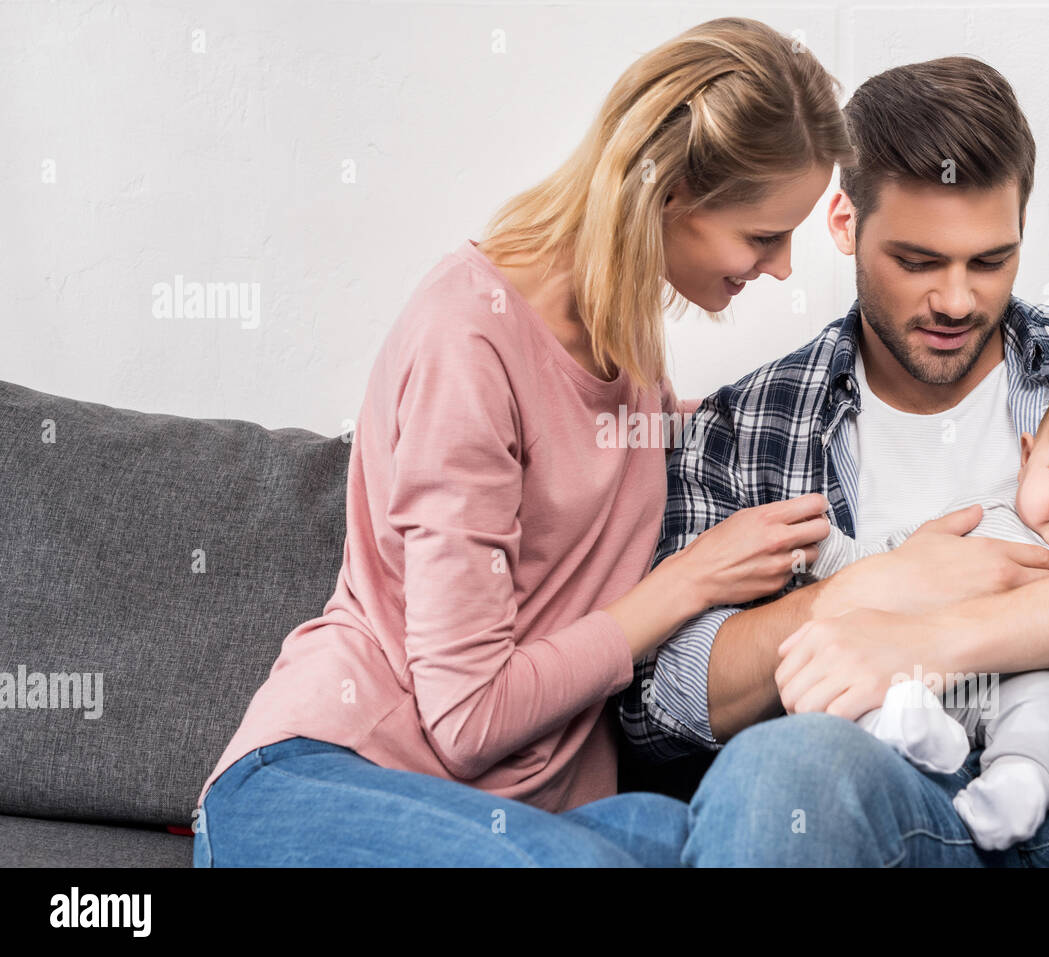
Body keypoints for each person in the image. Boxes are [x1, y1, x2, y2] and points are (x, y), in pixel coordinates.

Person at [191, 16, 856, 867]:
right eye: (763, 236)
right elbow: (465, 719)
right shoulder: (467, 344)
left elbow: (648, 435)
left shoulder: (626, 339)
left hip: (519, 819)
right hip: (327, 780)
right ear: (669, 197)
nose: (783, 267)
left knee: (731, 838)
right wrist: (687, 584)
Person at [621, 55, 1049, 866]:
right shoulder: (749, 423)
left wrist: (943, 638)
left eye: (990, 260)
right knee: (780, 768)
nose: (956, 300)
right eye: (917, 261)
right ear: (844, 224)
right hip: (886, 777)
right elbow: (663, 698)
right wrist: (858, 598)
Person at [802, 361, 1049, 850]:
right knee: (865, 687)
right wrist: (826, 547)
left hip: (1018, 693)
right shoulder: (977, 519)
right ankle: (911, 732)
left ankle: (1016, 788)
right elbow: (887, 563)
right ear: (1027, 457)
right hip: (930, 680)